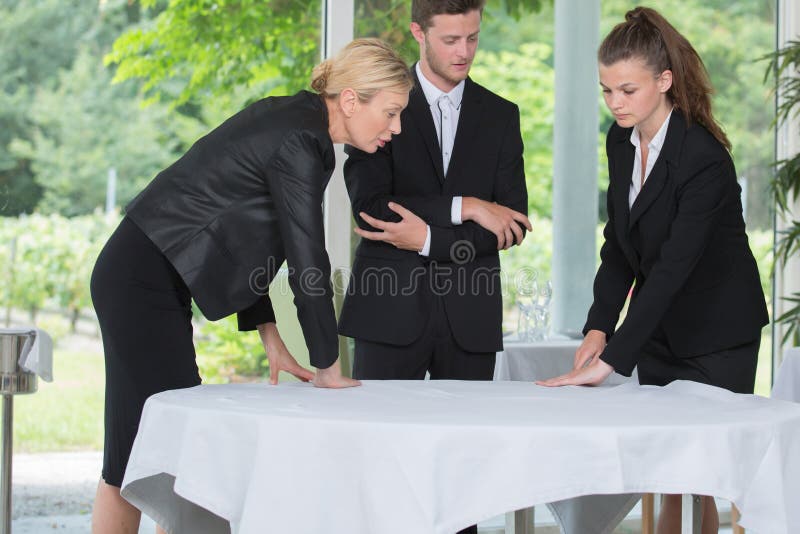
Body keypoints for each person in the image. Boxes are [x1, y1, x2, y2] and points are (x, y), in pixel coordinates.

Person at [89, 38, 413, 534]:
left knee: (159, 447)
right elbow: (308, 262)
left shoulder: (297, 123)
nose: (396, 127)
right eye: (390, 112)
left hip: (143, 275)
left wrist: (271, 334)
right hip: (140, 279)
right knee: (149, 450)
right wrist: (327, 366)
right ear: (351, 100)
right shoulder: (301, 142)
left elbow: (250, 236)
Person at [537, 7, 769, 533]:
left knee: (704, 473)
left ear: (664, 81)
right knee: (666, 472)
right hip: (662, 329)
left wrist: (614, 359)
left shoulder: (703, 156)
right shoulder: (621, 141)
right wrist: (598, 326)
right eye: (606, 91)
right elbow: (620, 245)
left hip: (717, 334)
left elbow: (671, 269)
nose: (615, 103)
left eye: (627, 90)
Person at [338, 3, 530, 532]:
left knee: (461, 477)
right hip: (386, 315)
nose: (464, 51)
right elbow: (372, 207)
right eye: (450, 39)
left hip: (469, 320)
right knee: (379, 466)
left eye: (472, 37)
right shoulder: (384, 103)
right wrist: (465, 207)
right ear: (418, 32)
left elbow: (511, 225)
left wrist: (425, 240)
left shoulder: (502, 115)